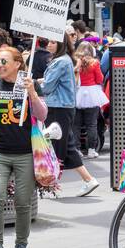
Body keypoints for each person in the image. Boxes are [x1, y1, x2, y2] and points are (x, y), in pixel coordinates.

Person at [0, 45, 46, 248]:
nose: (0, 65)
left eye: (4, 61)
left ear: (17, 64)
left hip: (25, 153)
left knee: (23, 203)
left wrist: (32, 92)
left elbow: (42, 114)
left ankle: (21, 246)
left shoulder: (27, 84)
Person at [38, 37, 98, 197]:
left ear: (60, 43)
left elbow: (48, 86)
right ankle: (88, 179)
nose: (49, 44)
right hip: (61, 107)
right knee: (67, 145)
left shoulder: (60, 62)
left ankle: (50, 184)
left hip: (58, 107)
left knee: (56, 146)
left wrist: (34, 85)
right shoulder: (61, 60)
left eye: (52, 41)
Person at [73, 42, 107, 158]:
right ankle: (91, 150)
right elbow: (100, 79)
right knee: (92, 124)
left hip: (77, 93)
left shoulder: (74, 62)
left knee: (75, 125)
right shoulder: (94, 63)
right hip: (92, 94)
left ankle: (77, 150)